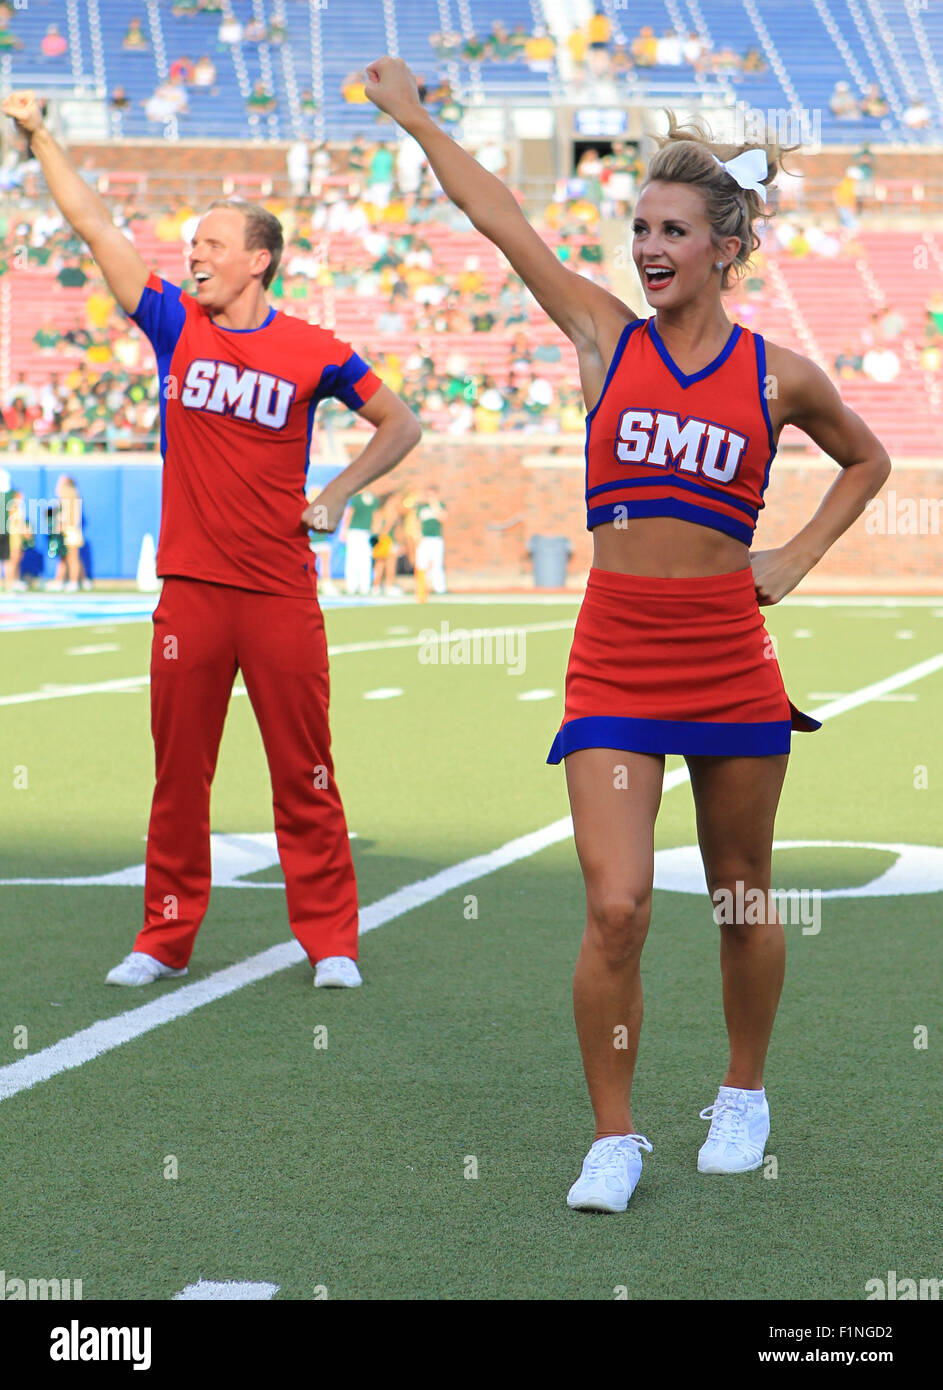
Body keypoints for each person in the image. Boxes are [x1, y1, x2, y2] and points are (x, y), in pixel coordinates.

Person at [365, 58, 892, 1211]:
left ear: (724, 248)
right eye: (637, 226)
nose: (645, 245)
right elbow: (498, 220)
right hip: (613, 659)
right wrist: (415, 117)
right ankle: (615, 1132)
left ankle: (742, 1092)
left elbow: (868, 460)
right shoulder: (605, 338)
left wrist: (794, 557)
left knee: (742, 894)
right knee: (615, 905)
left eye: (670, 229)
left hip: (728, 661)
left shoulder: (779, 375)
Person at [3, 88, 421, 990]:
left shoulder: (314, 348)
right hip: (190, 586)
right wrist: (41, 136)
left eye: (214, 243)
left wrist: (339, 491)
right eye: (192, 242)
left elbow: (402, 422)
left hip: (278, 590)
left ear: (259, 261)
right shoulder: (172, 322)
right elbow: (95, 228)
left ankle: (330, 939)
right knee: (177, 777)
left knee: (305, 770)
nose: (194, 252)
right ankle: (162, 937)